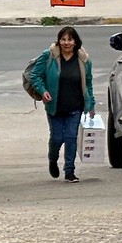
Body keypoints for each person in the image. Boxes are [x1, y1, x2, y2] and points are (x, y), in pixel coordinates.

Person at [32, 25, 97, 182]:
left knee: (70, 138)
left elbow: (88, 83)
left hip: (75, 106)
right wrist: (42, 91)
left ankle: (69, 171)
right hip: (55, 105)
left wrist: (91, 104)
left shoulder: (83, 60)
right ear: (59, 41)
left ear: (75, 42)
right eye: (63, 39)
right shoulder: (49, 56)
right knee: (57, 138)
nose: (66, 43)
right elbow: (35, 75)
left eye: (70, 39)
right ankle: (52, 159)